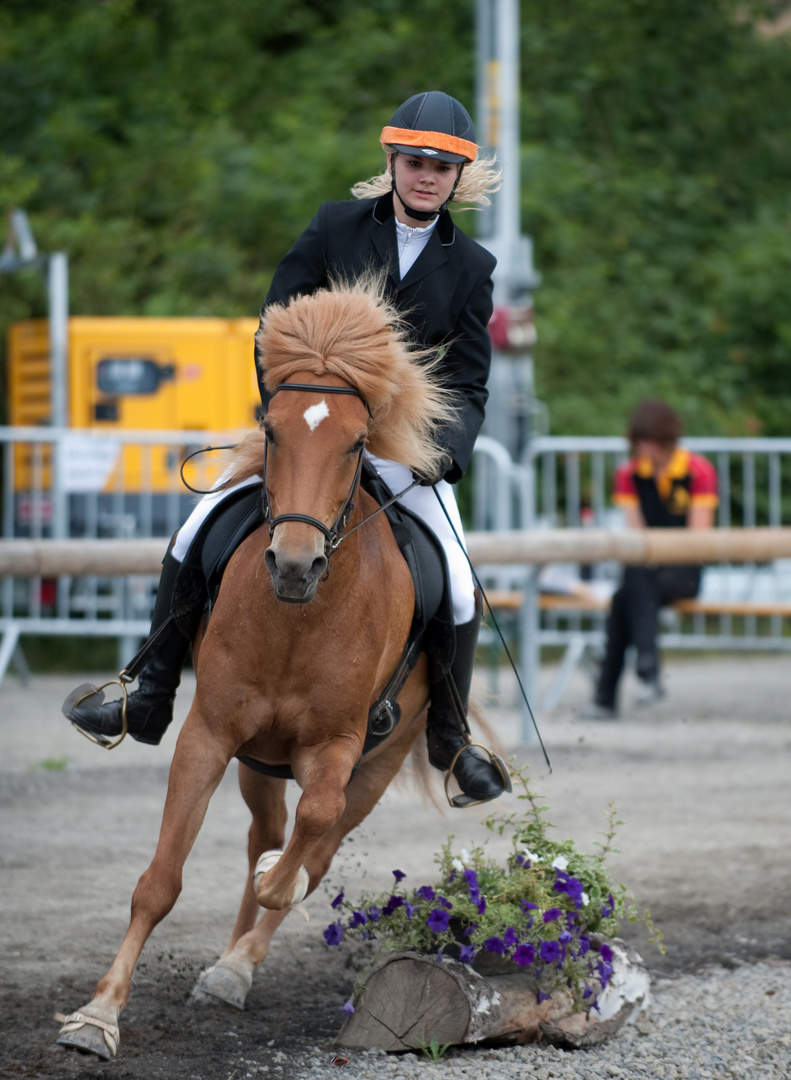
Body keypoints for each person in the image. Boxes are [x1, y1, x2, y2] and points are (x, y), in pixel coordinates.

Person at [65, 91, 508, 803]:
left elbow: (468, 380)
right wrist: (288, 416)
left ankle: (450, 740)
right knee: (197, 528)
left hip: (401, 451)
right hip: (308, 435)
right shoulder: (335, 227)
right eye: (415, 162)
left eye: (440, 167)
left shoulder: (473, 266)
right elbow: (272, 325)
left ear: (457, 176)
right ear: (392, 161)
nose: (426, 176)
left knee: (456, 579)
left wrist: (443, 453)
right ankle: (147, 691)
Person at [583, 399, 718, 720]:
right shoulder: (629, 474)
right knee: (629, 590)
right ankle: (647, 671)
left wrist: (657, 552)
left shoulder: (698, 470)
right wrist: (653, 553)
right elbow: (637, 534)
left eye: (649, 441)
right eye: (639, 441)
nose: (643, 448)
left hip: (686, 571)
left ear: (666, 439)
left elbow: (697, 539)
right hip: (648, 568)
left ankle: (608, 695)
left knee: (626, 594)